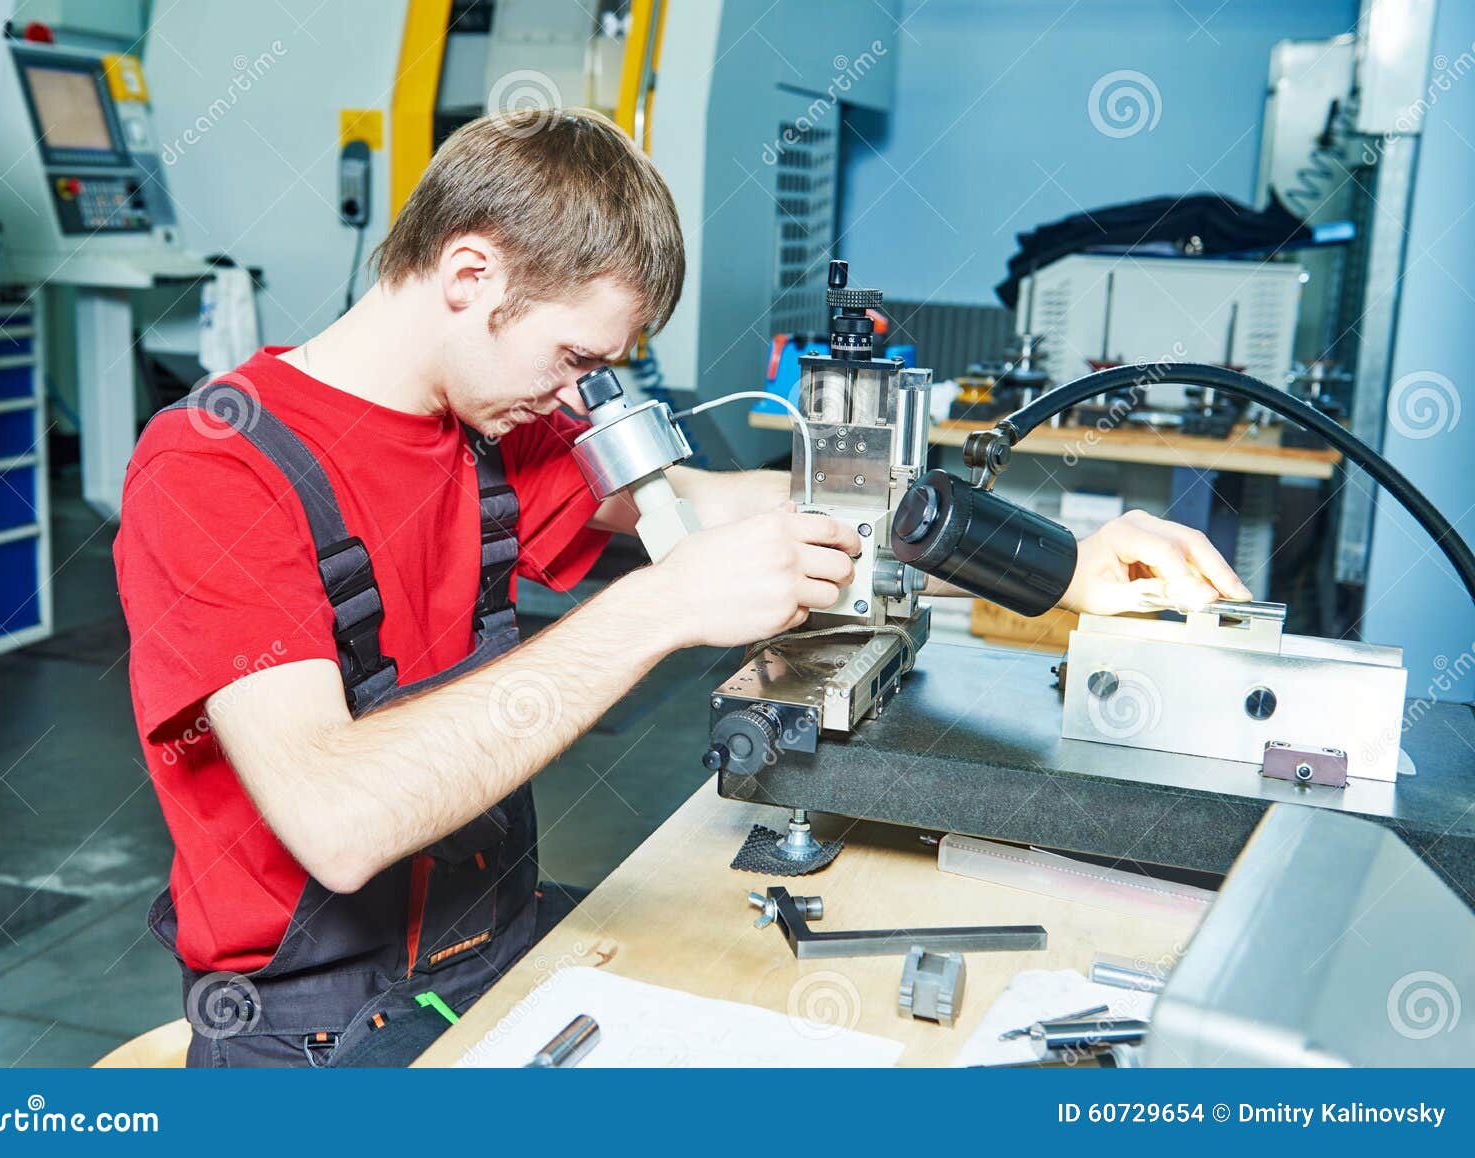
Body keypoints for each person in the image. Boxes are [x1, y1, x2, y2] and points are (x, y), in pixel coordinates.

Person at [114, 108, 1251, 1067]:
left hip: (496, 944)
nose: (576, 398)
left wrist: (1061, 563)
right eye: (572, 358)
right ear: (469, 274)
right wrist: (660, 610)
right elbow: (338, 820)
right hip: (311, 1031)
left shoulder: (488, 426)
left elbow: (728, 504)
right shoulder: (217, 470)